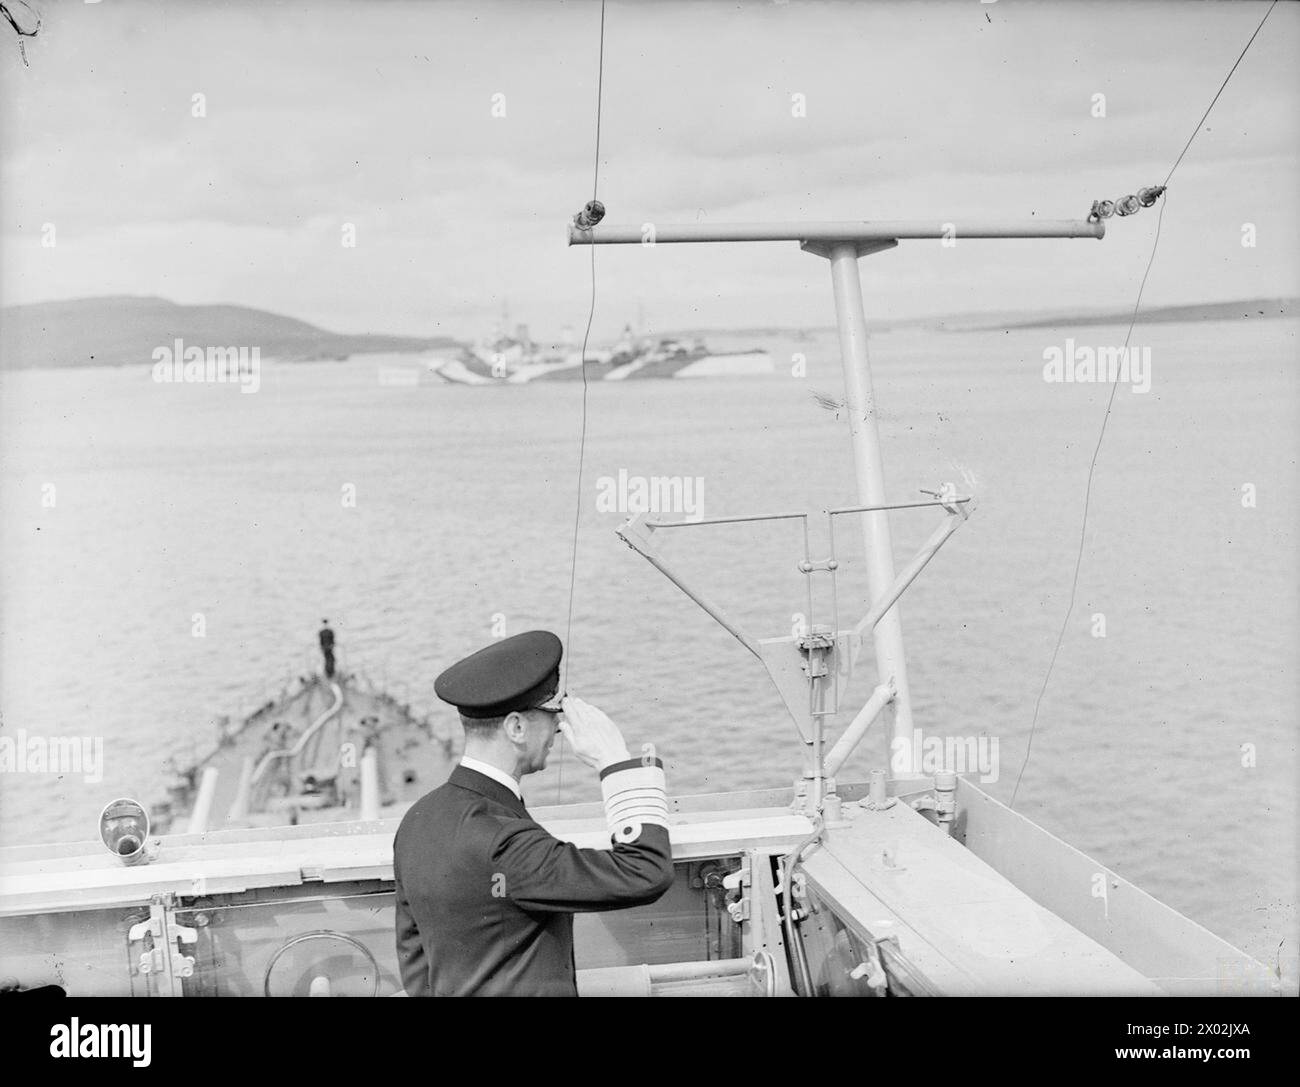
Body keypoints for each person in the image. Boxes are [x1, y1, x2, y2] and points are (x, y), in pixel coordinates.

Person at [393, 630, 673, 996]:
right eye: (551, 713)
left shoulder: (418, 820)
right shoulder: (505, 840)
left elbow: (416, 960)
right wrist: (615, 762)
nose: (558, 726)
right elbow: (644, 872)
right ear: (516, 727)